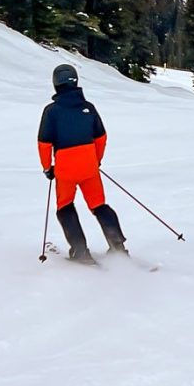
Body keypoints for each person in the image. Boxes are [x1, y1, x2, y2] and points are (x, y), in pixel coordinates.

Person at [37, 63, 126, 263]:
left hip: (65, 168)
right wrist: (96, 160)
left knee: (65, 206)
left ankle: (80, 251)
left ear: (56, 84)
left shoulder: (51, 111)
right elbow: (101, 138)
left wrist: (47, 168)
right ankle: (118, 246)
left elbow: (44, 143)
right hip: (89, 166)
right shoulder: (89, 108)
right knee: (99, 205)